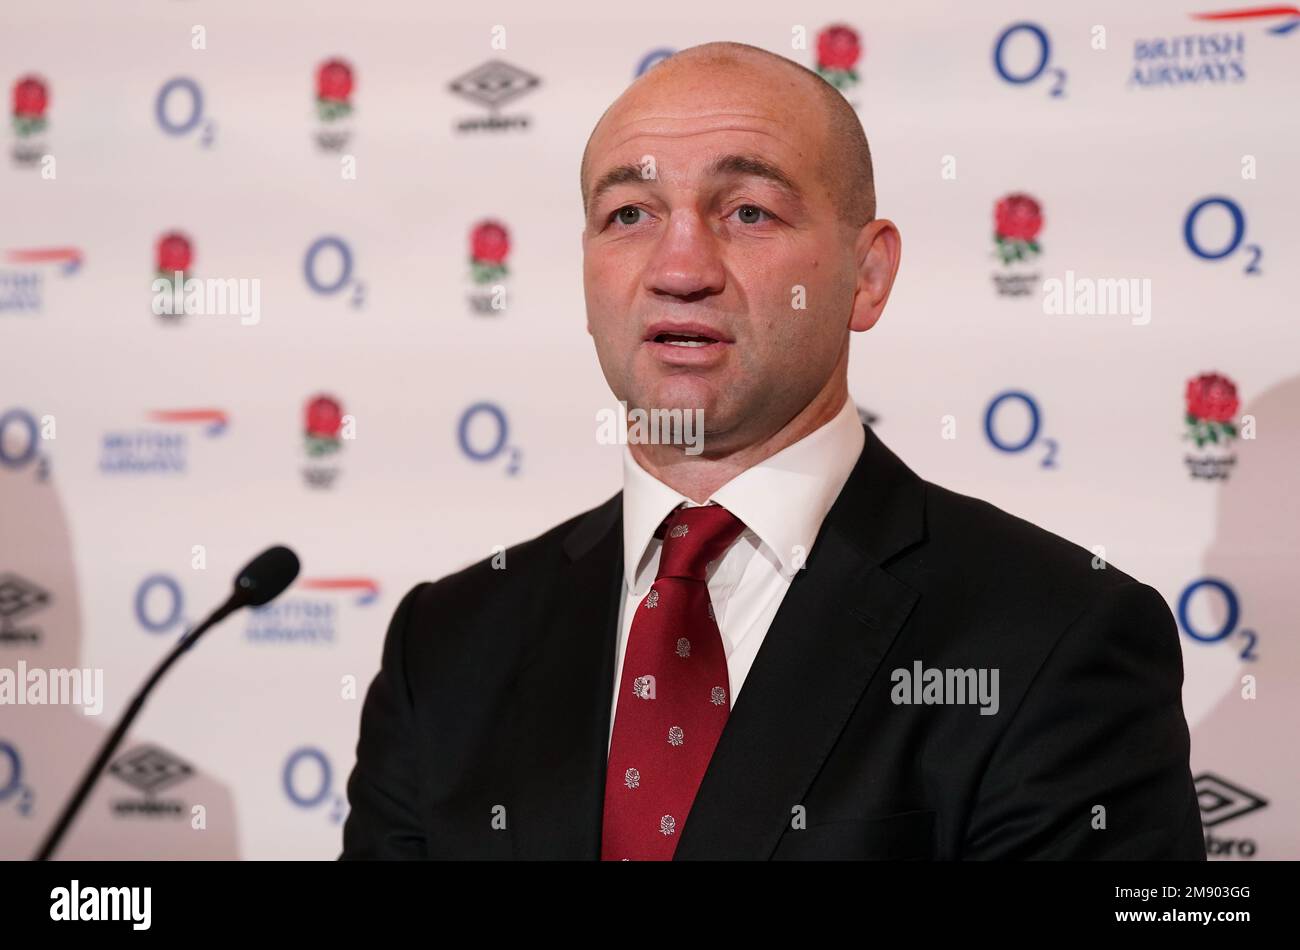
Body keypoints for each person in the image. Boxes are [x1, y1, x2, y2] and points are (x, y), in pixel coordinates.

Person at [340, 41, 1204, 860]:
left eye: (748, 211)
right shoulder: (447, 646)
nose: (680, 267)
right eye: (629, 213)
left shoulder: (1057, 634)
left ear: (867, 277)